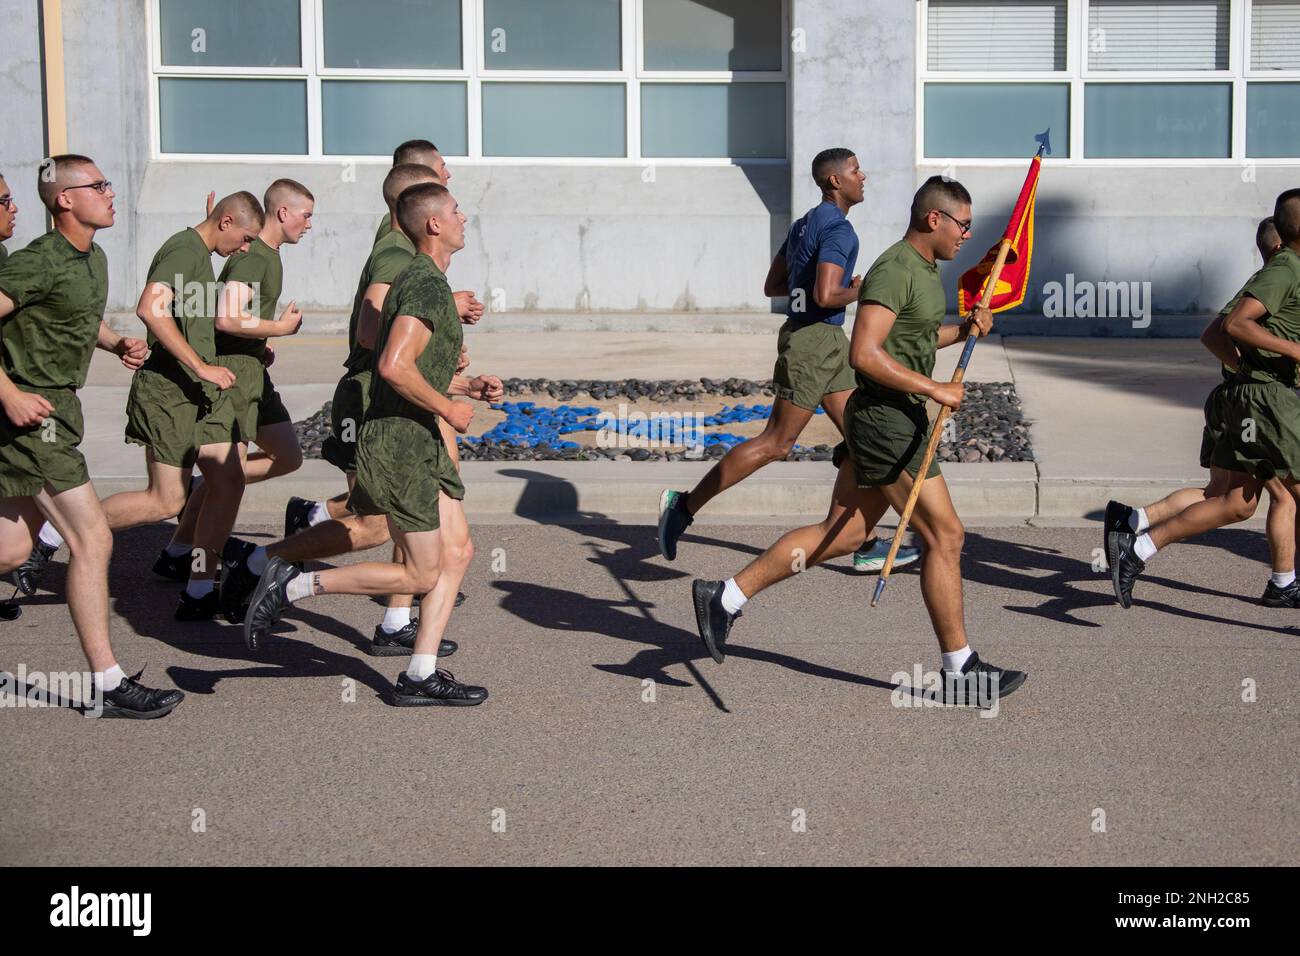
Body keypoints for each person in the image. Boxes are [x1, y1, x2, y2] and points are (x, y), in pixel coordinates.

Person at [690, 176, 1025, 708]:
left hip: (895, 419)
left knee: (843, 535)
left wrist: (962, 332)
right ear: (933, 219)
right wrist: (933, 386)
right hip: (886, 424)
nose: (967, 235)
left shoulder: (924, 271)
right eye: (962, 224)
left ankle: (724, 597)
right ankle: (960, 668)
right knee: (946, 537)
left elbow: (908, 339)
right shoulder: (894, 270)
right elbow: (864, 354)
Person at [243, 182, 493, 706]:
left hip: (419, 435)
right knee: (421, 569)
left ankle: (420, 675)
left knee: (459, 552)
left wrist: (468, 387)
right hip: (402, 442)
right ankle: (290, 586)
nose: (462, 215)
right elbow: (391, 366)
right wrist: (449, 408)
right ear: (433, 225)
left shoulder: (427, 282)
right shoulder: (424, 284)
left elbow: (411, 368)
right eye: (454, 209)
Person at [658, 148, 919, 574]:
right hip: (815, 343)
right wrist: (865, 288)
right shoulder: (840, 231)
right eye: (855, 170)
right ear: (835, 180)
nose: (863, 176)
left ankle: (866, 542)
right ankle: (683, 506)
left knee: (863, 436)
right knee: (777, 443)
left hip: (825, 341)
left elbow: (772, 285)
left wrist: (832, 290)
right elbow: (825, 295)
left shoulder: (804, 226)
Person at [0, 154, 183, 717]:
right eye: (97, 185)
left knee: (12, 549)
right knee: (92, 539)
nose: (110, 193)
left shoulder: (94, 257)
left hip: (58, 408)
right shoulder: (37, 262)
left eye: (109, 182)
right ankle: (108, 682)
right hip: (32, 413)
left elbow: (73, 316)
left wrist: (114, 342)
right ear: (65, 200)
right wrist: (7, 393)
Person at [1110, 190, 1300, 609]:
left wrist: (1246, 370)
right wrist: (1283, 358)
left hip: (1256, 397)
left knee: (1235, 503)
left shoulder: (1283, 270)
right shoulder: (1286, 270)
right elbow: (1230, 326)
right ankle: (1283, 582)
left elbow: (1218, 332)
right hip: (1266, 400)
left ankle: (1137, 545)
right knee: (1282, 496)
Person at [152, 181, 310, 619]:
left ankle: (182, 545)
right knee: (229, 484)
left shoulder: (261, 254)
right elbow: (226, 316)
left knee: (286, 456)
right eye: (305, 215)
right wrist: (277, 328)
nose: (310, 224)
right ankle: (198, 587)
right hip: (233, 380)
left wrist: (264, 339)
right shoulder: (252, 255)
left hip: (254, 373)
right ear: (282, 213)